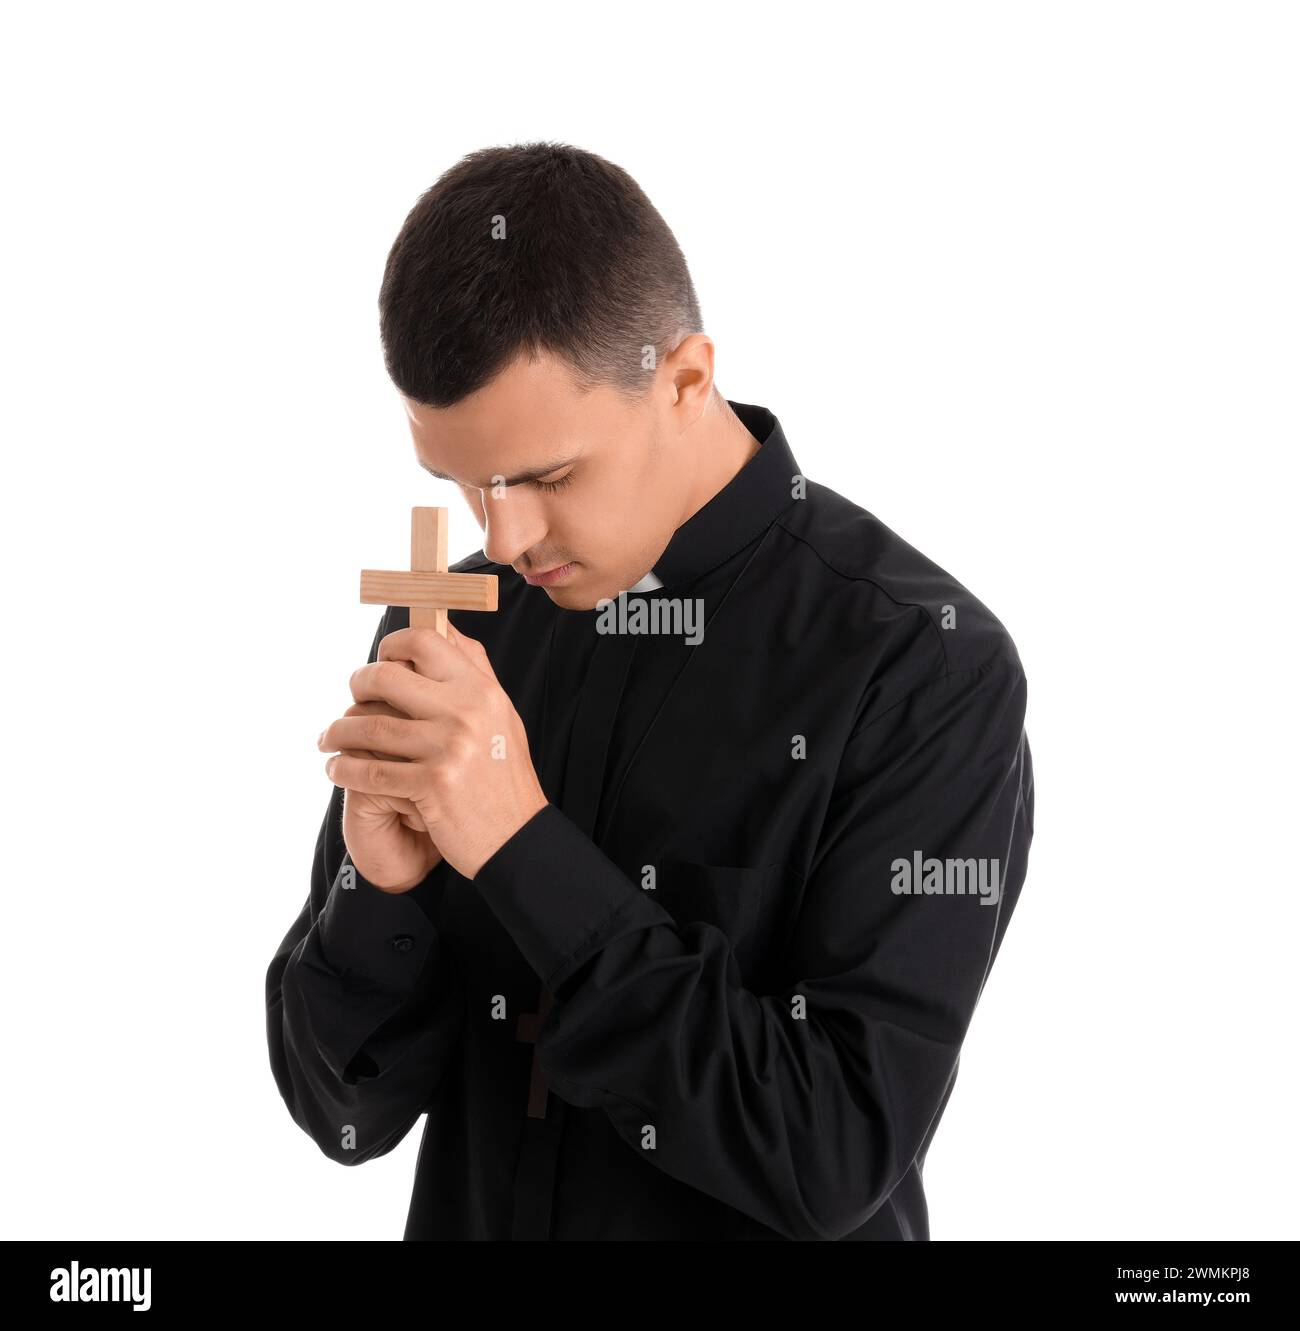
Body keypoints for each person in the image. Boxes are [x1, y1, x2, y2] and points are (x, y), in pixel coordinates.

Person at [264, 141, 1035, 1241]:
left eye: (545, 476)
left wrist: (521, 846)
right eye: (463, 483)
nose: (504, 537)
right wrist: (378, 897)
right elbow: (343, 1115)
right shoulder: (450, 622)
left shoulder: (922, 667)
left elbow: (829, 1157)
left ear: (683, 377)